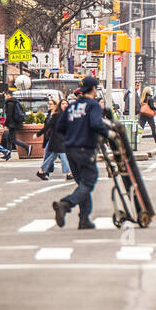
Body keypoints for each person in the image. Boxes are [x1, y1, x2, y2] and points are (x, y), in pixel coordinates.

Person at [52, 76, 112, 230]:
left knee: (82, 184)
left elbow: (60, 127)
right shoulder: (93, 105)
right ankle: (65, 204)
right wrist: (108, 134)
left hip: (70, 150)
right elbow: (96, 123)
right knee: (89, 181)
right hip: (85, 148)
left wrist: (72, 134)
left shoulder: (72, 106)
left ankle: (84, 219)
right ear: (94, 89)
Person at [36, 96, 71, 181]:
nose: (65, 105)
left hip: (61, 139)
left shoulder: (67, 115)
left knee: (53, 156)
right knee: (61, 155)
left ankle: (42, 171)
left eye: (66, 103)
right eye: (63, 104)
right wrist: (38, 134)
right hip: (56, 139)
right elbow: (48, 126)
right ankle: (68, 173)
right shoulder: (57, 115)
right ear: (59, 105)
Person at [1, 90, 29, 160]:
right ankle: (8, 154)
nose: (5, 97)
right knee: (9, 139)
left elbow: (9, 115)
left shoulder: (10, 103)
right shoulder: (15, 101)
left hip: (12, 124)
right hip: (15, 123)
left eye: (6, 95)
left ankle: (27, 147)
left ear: (8, 95)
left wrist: (6, 124)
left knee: (13, 139)